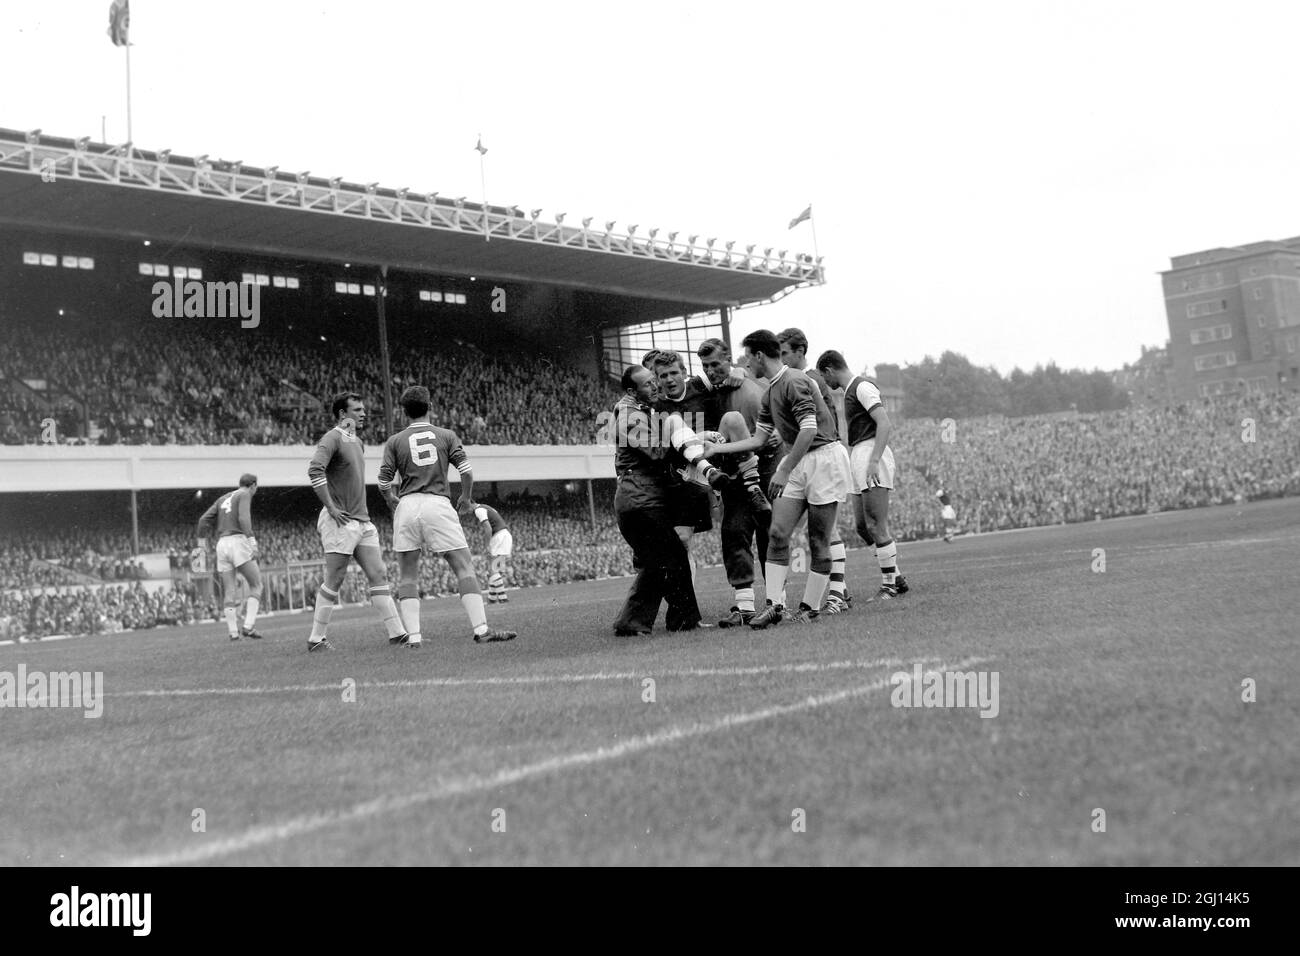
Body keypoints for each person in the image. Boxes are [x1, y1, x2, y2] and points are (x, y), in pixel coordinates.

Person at [705, 330, 853, 628]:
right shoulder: (771, 391)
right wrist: (719, 447)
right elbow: (759, 438)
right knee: (777, 533)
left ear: (759, 355)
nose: (746, 364)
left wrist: (784, 469)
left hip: (823, 458)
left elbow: (809, 430)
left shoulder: (794, 380)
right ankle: (775, 606)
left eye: (748, 356)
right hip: (798, 460)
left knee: (817, 540)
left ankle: (809, 608)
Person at [378, 385, 516, 647]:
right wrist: (465, 497)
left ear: (404, 412)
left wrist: (389, 499)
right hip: (437, 502)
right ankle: (481, 630)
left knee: (407, 575)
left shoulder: (394, 441)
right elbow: (467, 471)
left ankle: (415, 638)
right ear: (430, 407)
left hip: (406, 505)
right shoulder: (446, 435)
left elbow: (384, 482)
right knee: (463, 566)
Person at [610, 365, 714, 635]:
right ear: (633, 390)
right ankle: (682, 621)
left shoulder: (638, 411)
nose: (655, 386)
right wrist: (685, 436)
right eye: (647, 384)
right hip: (640, 499)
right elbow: (656, 452)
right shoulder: (629, 416)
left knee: (660, 562)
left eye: (653, 381)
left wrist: (691, 437)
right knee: (673, 558)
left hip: (639, 498)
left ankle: (632, 622)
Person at [304, 392, 409, 651]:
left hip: (362, 521)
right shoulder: (332, 438)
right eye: (358, 409)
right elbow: (314, 469)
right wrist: (330, 506)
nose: (363, 414)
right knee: (336, 577)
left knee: (379, 573)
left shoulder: (358, 442)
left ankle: (397, 634)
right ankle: (316, 639)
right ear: (342, 414)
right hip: (341, 521)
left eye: (363, 409)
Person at [816, 350, 910, 599]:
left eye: (826, 378)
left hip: (871, 451)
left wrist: (874, 461)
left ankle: (889, 585)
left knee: (876, 524)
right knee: (862, 526)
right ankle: (896, 576)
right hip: (858, 452)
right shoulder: (849, 391)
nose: (828, 384)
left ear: (829, 370)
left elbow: (884, 423)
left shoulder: (862, 387)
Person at [696, 337, 776, 626]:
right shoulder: (708, 392)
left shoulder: (752, 390)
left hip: (762, 472)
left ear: (729, 359)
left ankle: (775, 603)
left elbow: (772, 435)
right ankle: (744, 608)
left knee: (768, 536)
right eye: (705, 366)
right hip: (733, 476)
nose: (711, 370)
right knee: (733, 533)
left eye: (716, 364)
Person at [777, 328, 852, 613]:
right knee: (823, 531)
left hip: (821, 456)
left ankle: (836, 593)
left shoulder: (808, 379)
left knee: (825, 531)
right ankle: (838, 591)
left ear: (800, 351)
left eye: (784, 353)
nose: (781, 359)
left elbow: (817, 424)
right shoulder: (802, 379)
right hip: (815, 457)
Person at [196, 472, 264, 641]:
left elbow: (203, 520)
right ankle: (248, 626)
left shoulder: (223, 498)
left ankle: (233, 633)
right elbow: (243, 518)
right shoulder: (245, 493)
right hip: (238, 541)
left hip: (222, 544)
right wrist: (253, 543)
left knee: (229, 590)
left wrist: (201, 547)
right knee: (256, 585)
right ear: (253, 485)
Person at [470, 503, 513, 602]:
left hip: (498, 536)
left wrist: (486, 546)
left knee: (492, 569)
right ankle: (492, 598)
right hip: (504, 535)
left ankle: (503, 598)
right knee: (495, 569)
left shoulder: (479, 510)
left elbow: (488, 529)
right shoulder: (485, 507)